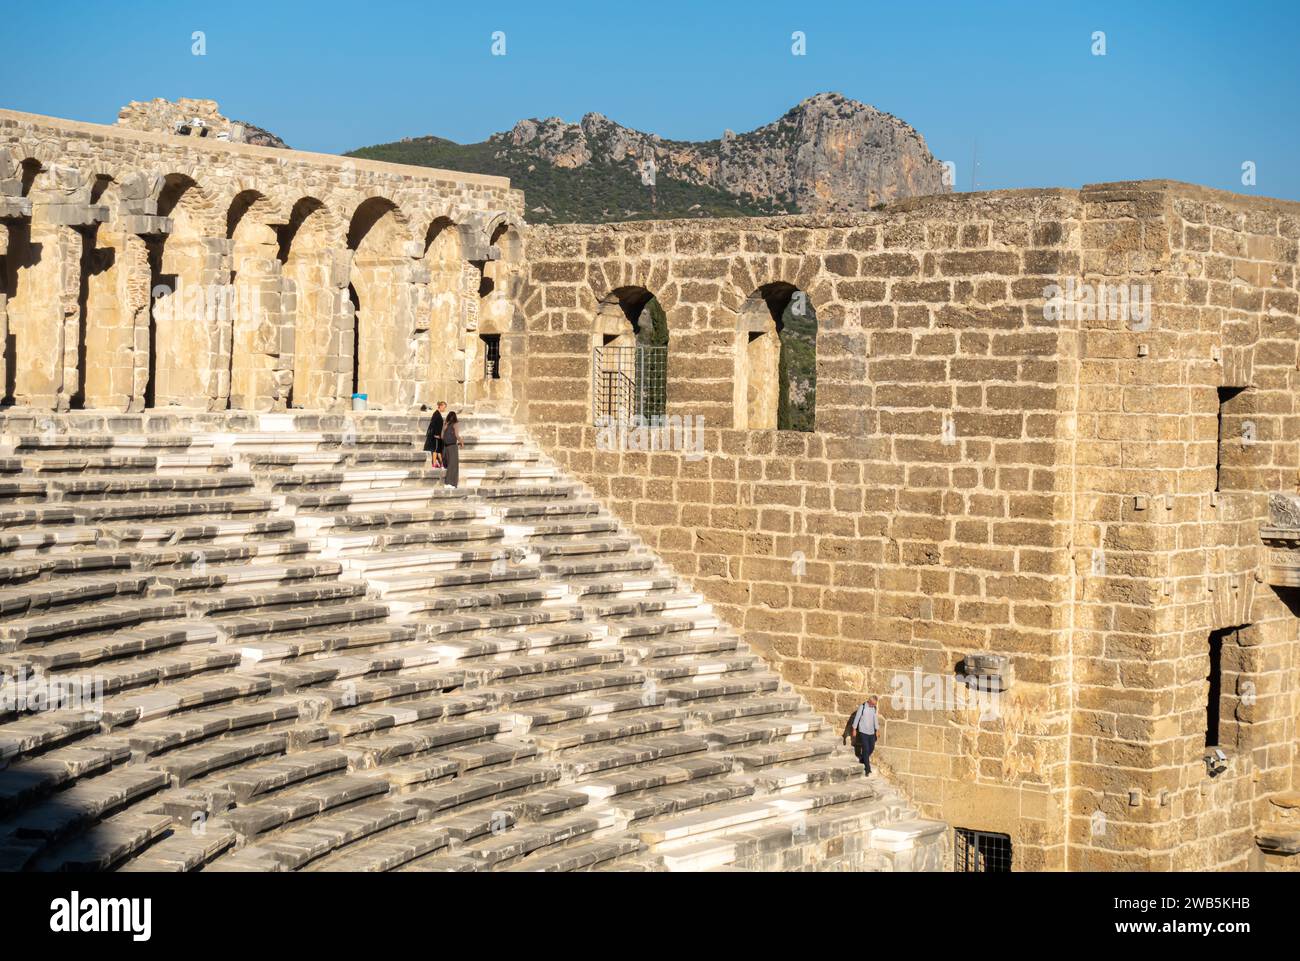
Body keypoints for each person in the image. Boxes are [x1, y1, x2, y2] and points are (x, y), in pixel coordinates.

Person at [842, 694, 880, 776]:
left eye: (875, 704)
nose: (874, 705)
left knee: (871, 748)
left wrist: (877, 729)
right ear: (869, 701)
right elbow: (857, 718)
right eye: (873, 704)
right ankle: (867, 768)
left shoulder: (874, 708)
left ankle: (863, 758)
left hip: (871, 732)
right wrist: (854, 729)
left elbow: (875, 719)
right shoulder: (862, 707)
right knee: (866, 749)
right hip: (863, 732)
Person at [440, 411, 462, 487]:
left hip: (446, 446)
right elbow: (456, 435)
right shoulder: (455, 424)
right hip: (453, 446)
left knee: (449, 464)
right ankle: (451, 483)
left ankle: (447, 482)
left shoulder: (446, 423)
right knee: (453, 465)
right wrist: (461, 441)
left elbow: (442, 436)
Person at [423, 401, 447, 469]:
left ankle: (441, 464)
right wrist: (436, 434)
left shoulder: (438, 414)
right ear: (441, 406)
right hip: (436, 436)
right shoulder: (436, 414)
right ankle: (434, 464)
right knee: (435, 450)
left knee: (438, 450)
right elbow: (433, 425)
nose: (444, 409)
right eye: (444, 407)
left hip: (438, 435)